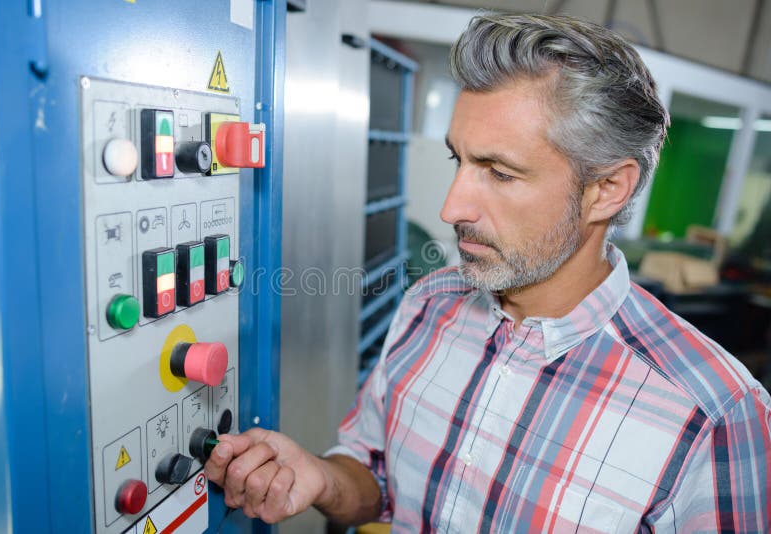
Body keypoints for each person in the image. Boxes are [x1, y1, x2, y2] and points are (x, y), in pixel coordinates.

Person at [205, 13, 771, 532]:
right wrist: (324, 478)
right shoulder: (429, 304)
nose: (452, 209)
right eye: (460, 159)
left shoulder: (714, 418)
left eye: (499, 172)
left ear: (606, 190)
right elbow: (376, 477)